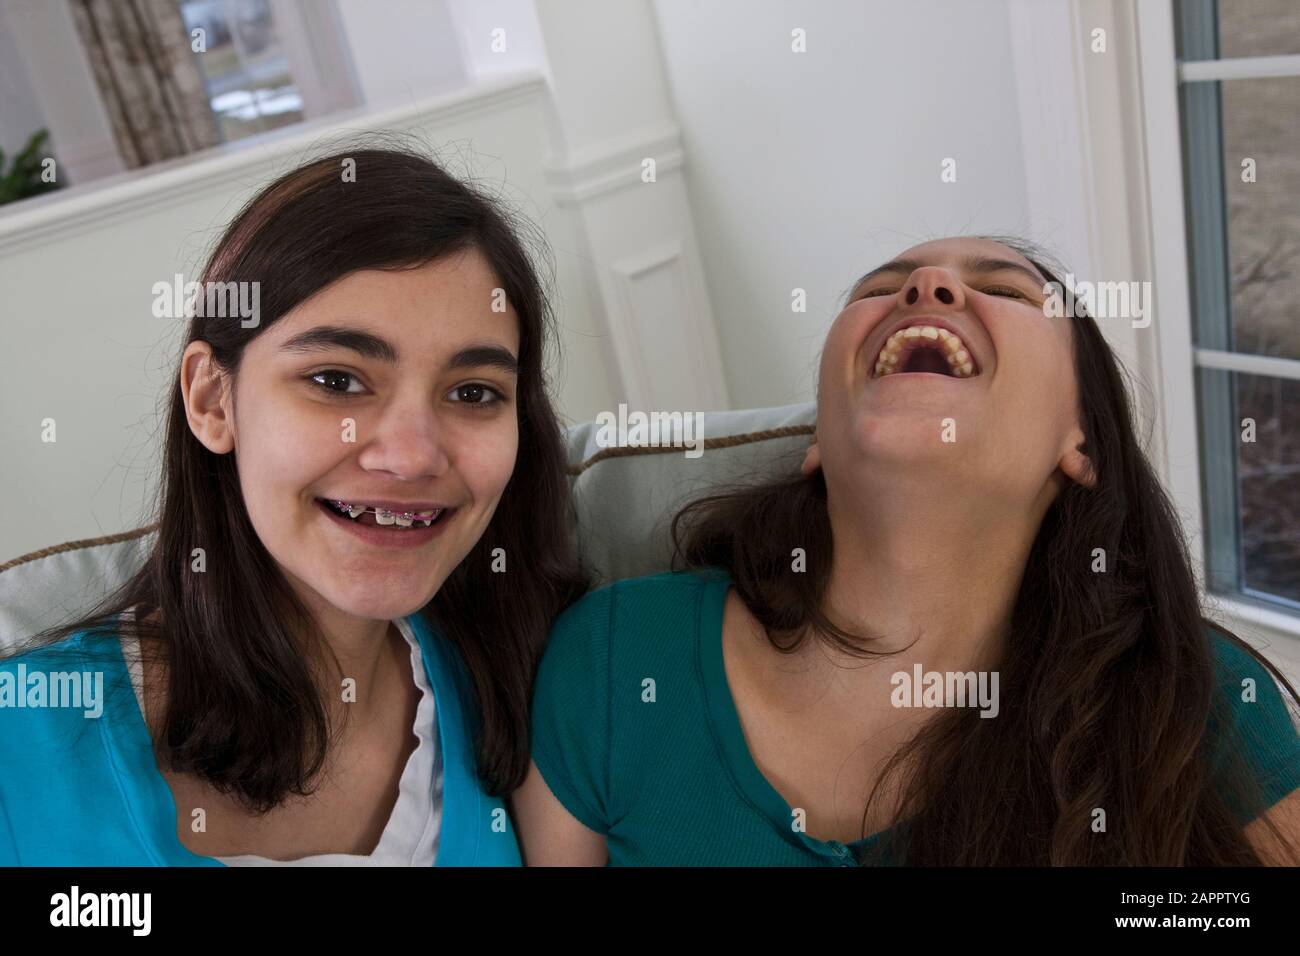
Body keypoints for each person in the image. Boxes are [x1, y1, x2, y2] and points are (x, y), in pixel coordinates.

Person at [514, 235, 1300, 866]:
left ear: (1082, 441)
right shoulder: (615, 657)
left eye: (1006, 289)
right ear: (817, 439)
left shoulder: (1199, 704)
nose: (927, 284)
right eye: (878, 288)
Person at [0, 146, 586, 865]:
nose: (411, 455)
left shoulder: (531, 677)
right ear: (214, 401)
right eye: (337, 380)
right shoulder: (22, 745)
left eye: (473, 393)